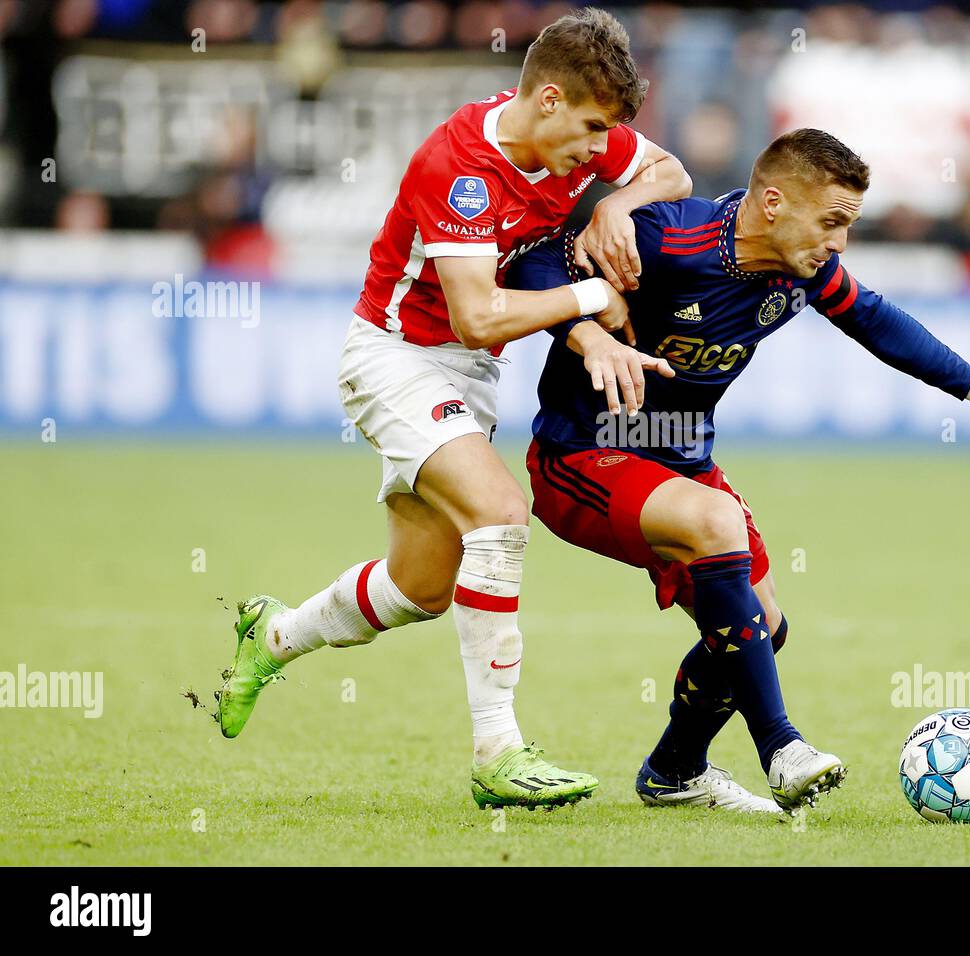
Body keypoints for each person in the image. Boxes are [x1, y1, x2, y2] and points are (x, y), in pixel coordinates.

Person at [509, 128, 970, 813]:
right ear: (775, 203)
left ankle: (675, 771)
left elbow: (875, 320)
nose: (839, 243)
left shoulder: (801, 272)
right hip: (583, 451)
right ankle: (781, 747)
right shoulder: (669, 238)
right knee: (718, 526)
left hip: (680, 455)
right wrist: (589, 335)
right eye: (833, 222)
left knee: (764, 626)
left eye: (848, 226)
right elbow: (531, 265)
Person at [216, 8, 691, 811]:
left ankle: (272, 636)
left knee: (422, 587)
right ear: (546, 98)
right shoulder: (460, 166)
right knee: (503, 514)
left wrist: (620, 202)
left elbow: (672, 171)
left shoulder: (582, 141)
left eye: (606, 133)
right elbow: (476, 314)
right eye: (588, 128)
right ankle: (498, 750)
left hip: (468, 375)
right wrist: (591, 298)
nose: (595, 149)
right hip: (396, 357)